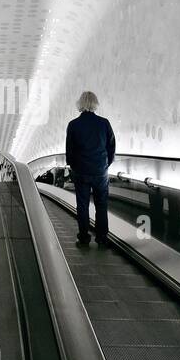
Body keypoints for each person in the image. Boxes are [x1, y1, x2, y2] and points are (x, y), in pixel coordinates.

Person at [65, 91, 115, 246]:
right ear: (95, 103)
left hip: (81, 171)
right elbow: (111, 146)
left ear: (80, 103)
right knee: (101, 205)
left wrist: (73, 166)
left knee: (82, 205)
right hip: (100, 170)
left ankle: (84, 237)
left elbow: (70, 149)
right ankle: (102, 237)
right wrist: (106, 164)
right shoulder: (104, 123)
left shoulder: (73, 125)